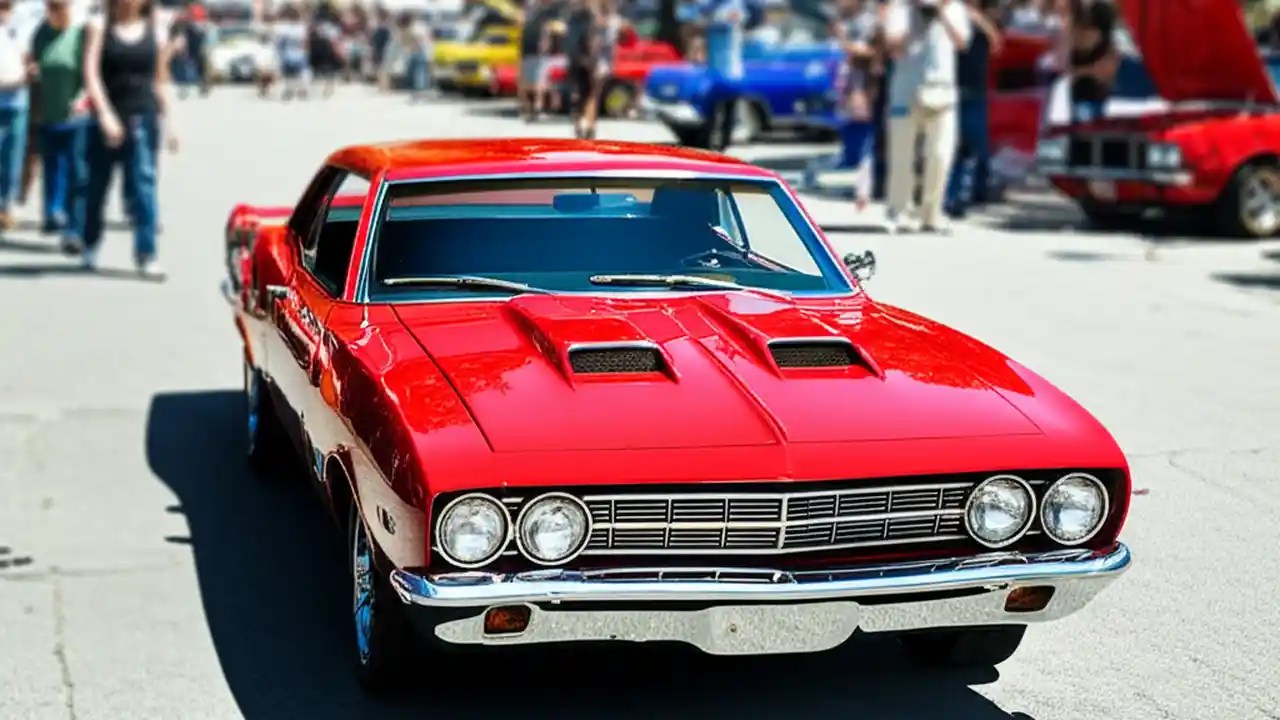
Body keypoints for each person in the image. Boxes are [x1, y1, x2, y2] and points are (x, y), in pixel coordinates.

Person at [80, 0, 178, 277]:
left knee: (143, 183)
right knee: (97, 184)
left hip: (143, 116)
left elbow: (160, 79)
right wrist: (105, 114)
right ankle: (90, 241)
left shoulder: (155, 30)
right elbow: (91, 73)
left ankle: (146, 253)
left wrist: (171, 124)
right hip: (107, 116)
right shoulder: (99, 26)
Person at [882, 0, 971, 234]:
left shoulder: (955, 9)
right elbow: (893, 47)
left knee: (940, 155)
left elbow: (962, 43)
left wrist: (940, 13)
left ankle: (932, 213)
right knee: (902, 156)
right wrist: (913, 19)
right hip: (906, 92)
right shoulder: (901, 8)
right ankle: (900, 211)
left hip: (943, 91)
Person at [29, 0, 87, 249]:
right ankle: (53, 213)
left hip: (75, 115)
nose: (56, 11)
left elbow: (89, 71)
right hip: (47, 113)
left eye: (61, 6)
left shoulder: (78, 35)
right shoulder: (41, 34)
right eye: (52, 6)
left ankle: (74, 228)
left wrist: (83, 99)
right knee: (52, 166)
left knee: (76, 171)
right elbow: (33, 63)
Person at [945, 0, 1001, 219]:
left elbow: (996, 43)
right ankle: (954, 198)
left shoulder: (985, 20)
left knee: (977, 145)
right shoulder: (950, 15)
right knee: (957, 147)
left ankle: (977, 191)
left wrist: (977, 18)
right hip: (953, 87)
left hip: (975, 89)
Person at [0, 0, 32, 231]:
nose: (4, 11)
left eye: (7, 6)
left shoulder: (20, 30)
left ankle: (5, 207)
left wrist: (30, 71)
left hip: (18, 102)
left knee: (13, 159)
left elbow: (28, 60)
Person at [703, 0, 746, 151]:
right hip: (714, 70)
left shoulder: (734, 5)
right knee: (712, 110)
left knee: (728, 108)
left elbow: (731, 21)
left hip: (730, 70)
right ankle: (709, 143)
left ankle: (724, 144)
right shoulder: (709, 5)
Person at [1066, 0, 1117, 123]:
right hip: (1090, 95)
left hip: (1089, 95)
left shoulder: (1105, 45)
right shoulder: (1106, 44)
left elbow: (1106, 73)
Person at [564, 0, 599, 139]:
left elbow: (589, 40)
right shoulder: (581, 16)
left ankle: (586, 124)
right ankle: (586, 124)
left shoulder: (577, 17)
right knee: (586, 93)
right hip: (581, 60)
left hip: (580, 59)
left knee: (584, 93)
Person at [519, 0, 556, 121]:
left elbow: (545, 30)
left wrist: (545, 44)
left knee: (537, 81)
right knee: (534, 82)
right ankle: (533, 108)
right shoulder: (531, 15)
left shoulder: (537, 14)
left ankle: (535, 108)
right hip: (531, 51)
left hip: (534, 51)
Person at [273, 4, 309, 100]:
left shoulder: (281, 26)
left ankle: (289, 90)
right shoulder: (301, 26)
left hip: (287, 52)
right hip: (299, 52)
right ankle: (302, 89)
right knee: (302, 71)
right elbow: (304, 42)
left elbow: (278, 41)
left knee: (289, 73)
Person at [309, 2, 343, 99]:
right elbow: (335, 40)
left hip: (317, 51)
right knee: (330, 70)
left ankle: (324, 86)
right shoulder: (332, 26)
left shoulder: (316, 25)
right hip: (328, 51)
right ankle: (329, 87)